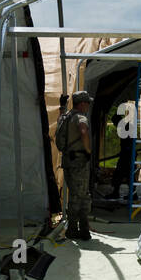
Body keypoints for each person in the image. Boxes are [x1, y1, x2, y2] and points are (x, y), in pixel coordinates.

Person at [57, 90, 93, 241]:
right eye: (88, 103)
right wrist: (88, 150)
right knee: (82, 196)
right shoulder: (80, 117)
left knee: (74, 193)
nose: (89, 106)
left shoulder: (66, 117)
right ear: (83, 103)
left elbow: (60, 120)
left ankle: (73, 228)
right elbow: (83, 130)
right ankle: (81, 230)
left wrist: (62, 107)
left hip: (68, 161)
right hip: (79, 161)